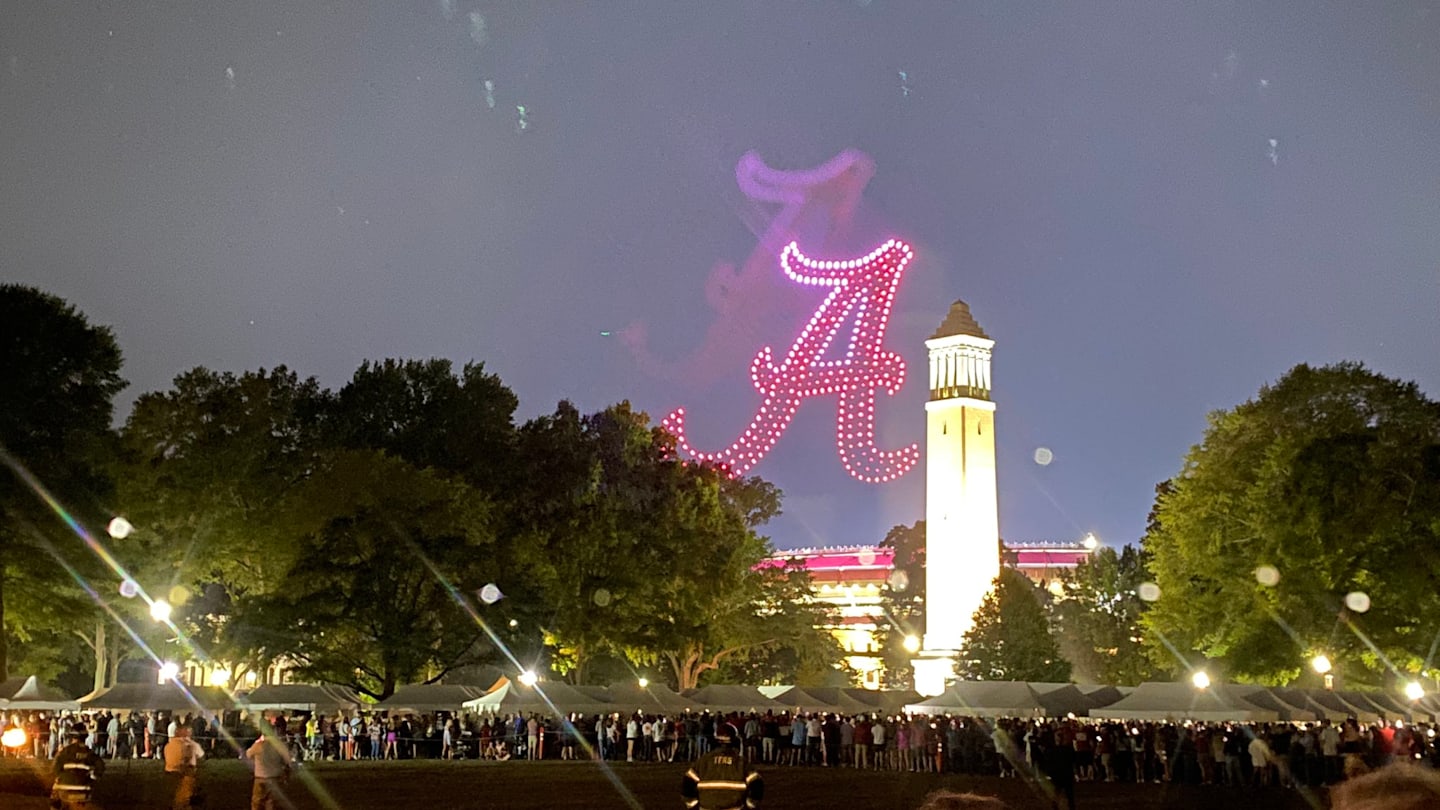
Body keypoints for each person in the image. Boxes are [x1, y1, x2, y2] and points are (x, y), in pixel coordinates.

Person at [681, 720, 762, 810]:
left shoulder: (703, 761)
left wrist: (693, 806)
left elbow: (687, 785)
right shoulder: (741, 762)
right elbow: (757, 786)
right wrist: (750, 806)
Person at [51, 724, 105, 809]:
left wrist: (60, 777)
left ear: (72, 736)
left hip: (64, 789)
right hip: (84, 788)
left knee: (55, 799)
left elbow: (55, 769)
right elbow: (100, 767)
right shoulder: (90, 753)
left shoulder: (64, 751)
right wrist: (93, 777)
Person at [247, 731, 294, 810]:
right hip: (274, 777)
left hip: (260, 777)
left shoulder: (258, 745)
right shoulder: (279, 746)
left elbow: (248, 754)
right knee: (271, 802)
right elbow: (287, 759)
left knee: (257, 802)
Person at [163, 724, 205, 810]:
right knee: (184, 798)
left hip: (169, 772)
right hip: (186, 772)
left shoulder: (169, 745)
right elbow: (201, 757)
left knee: (173, 796)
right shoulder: (192, 745)